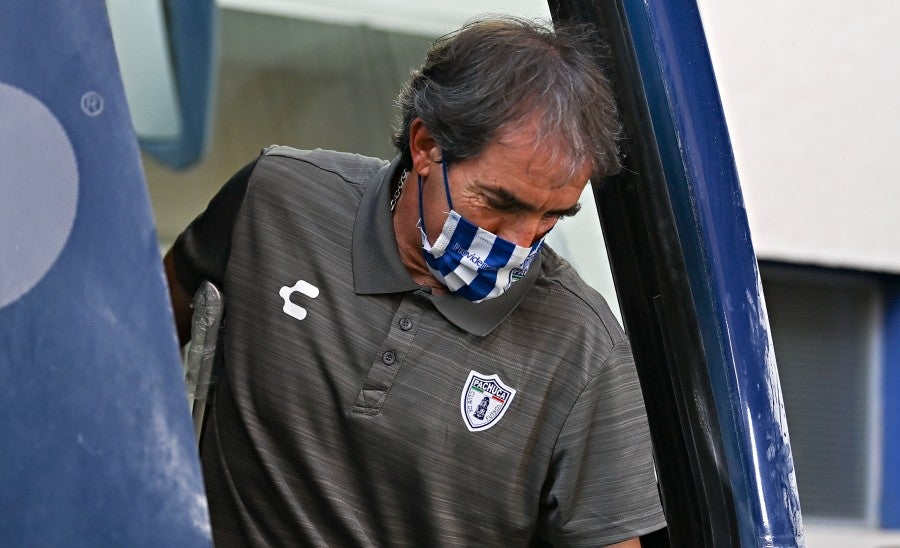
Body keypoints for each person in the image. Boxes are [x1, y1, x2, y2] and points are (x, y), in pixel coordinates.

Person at [164, 17, 665, 547]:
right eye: (500, 203)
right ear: (426, 146)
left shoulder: (586, 350)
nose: (521, 241)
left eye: (552, 217)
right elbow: (127, 339)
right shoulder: (275, 200)